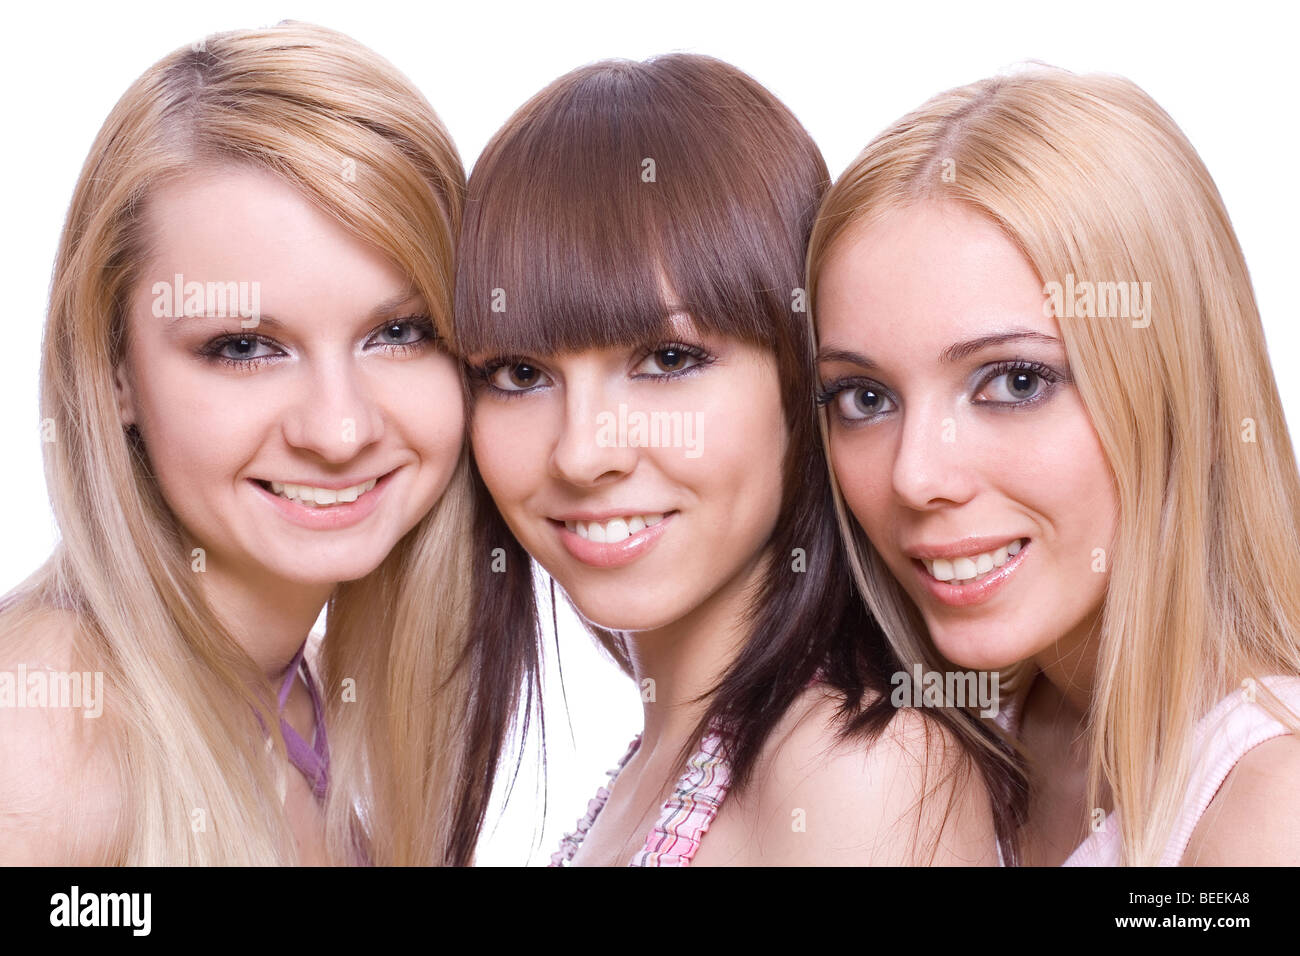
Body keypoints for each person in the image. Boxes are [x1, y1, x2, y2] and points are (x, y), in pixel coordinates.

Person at [455, 53, 1025, 866]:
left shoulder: (863, 772)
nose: (582, 454)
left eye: (669, 360)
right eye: (519, 375)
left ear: (804, 379)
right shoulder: (662, 759)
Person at [0, 22, 480, 865]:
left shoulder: (307, 691)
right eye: (246, 347)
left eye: (399, 332)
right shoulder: (38, 735)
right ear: (115, 371)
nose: (340, 430)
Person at [808, 66, 1300, 865]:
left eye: (1015, 381)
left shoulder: (1272, 810)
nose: (915, 476)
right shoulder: (964, 738)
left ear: (1179, 388)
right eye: (864, 397)